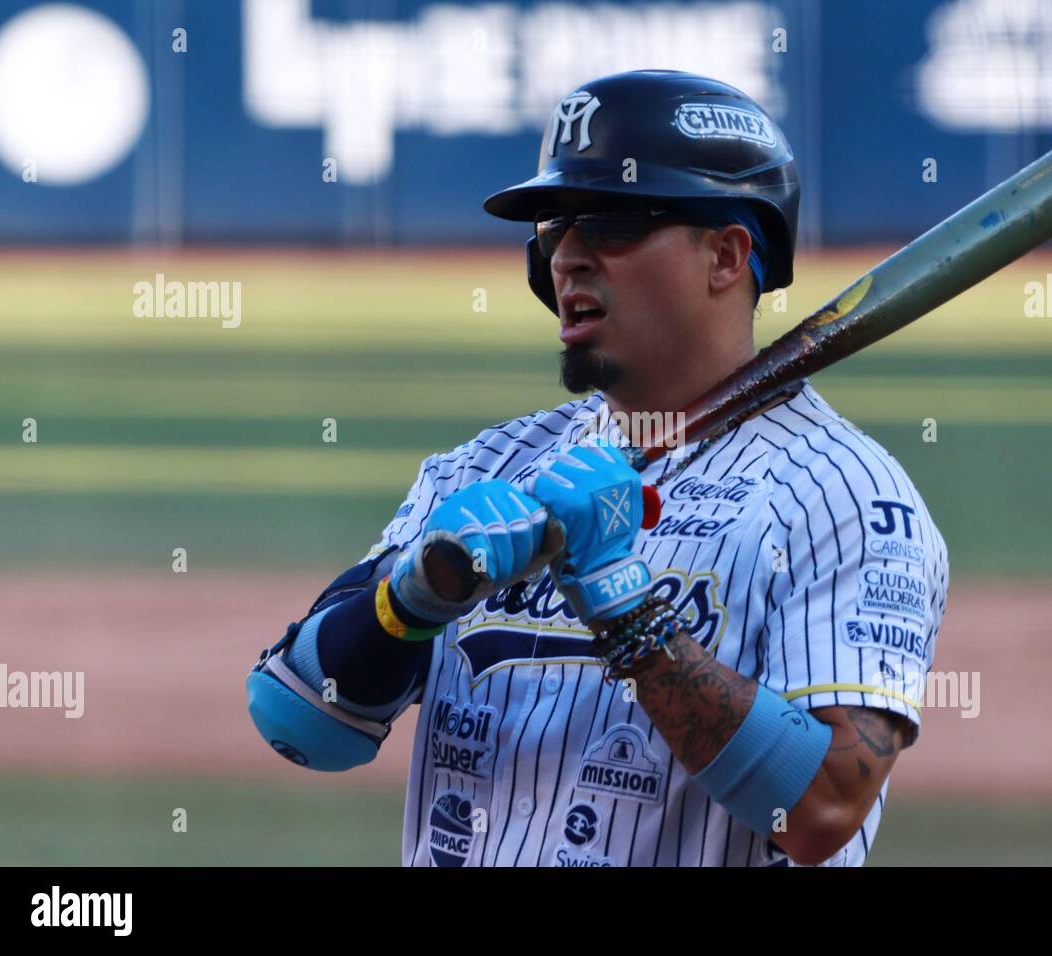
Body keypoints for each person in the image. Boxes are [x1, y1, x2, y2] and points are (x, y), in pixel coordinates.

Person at [247, 69, 949, 867]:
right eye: (553, 229)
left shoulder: (845, 498)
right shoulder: (487, 466)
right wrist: (412, 597)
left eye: (611, 223)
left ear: (726, 255)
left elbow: (822, 808)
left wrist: (625, 611)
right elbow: (300, 725)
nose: (567, 257)